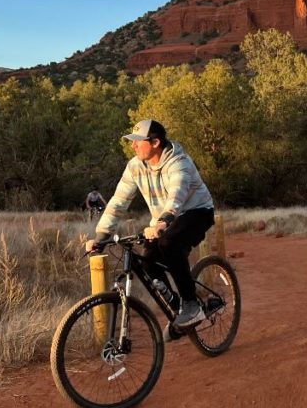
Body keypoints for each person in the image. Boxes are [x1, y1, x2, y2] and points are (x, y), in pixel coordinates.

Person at [85, 119, 215, 330]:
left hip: (196, 212)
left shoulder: (178, 162)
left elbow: (176, 197)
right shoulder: (135, 166)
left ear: (155, 142)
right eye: (132, 142)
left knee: (169, 244)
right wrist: (101, 235)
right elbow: (118, 202)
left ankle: (191, 305)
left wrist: (163, 222)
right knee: (147, 262)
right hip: (164, 220)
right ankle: (178, 308)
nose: (133, 146)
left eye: (138, 141)